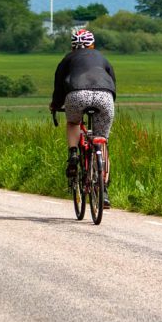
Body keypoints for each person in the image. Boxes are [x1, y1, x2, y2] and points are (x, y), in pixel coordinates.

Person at [50, 27, 116, 203]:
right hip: (105, 95)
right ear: (92, 44)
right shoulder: (102, 58)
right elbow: (112, 82)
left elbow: (59, 86)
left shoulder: (68, 58)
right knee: (101, 141)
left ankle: (73, 154)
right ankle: (103, 191)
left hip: (77, 94)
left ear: (73, 46)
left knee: (73, 123)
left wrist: (55, 105)